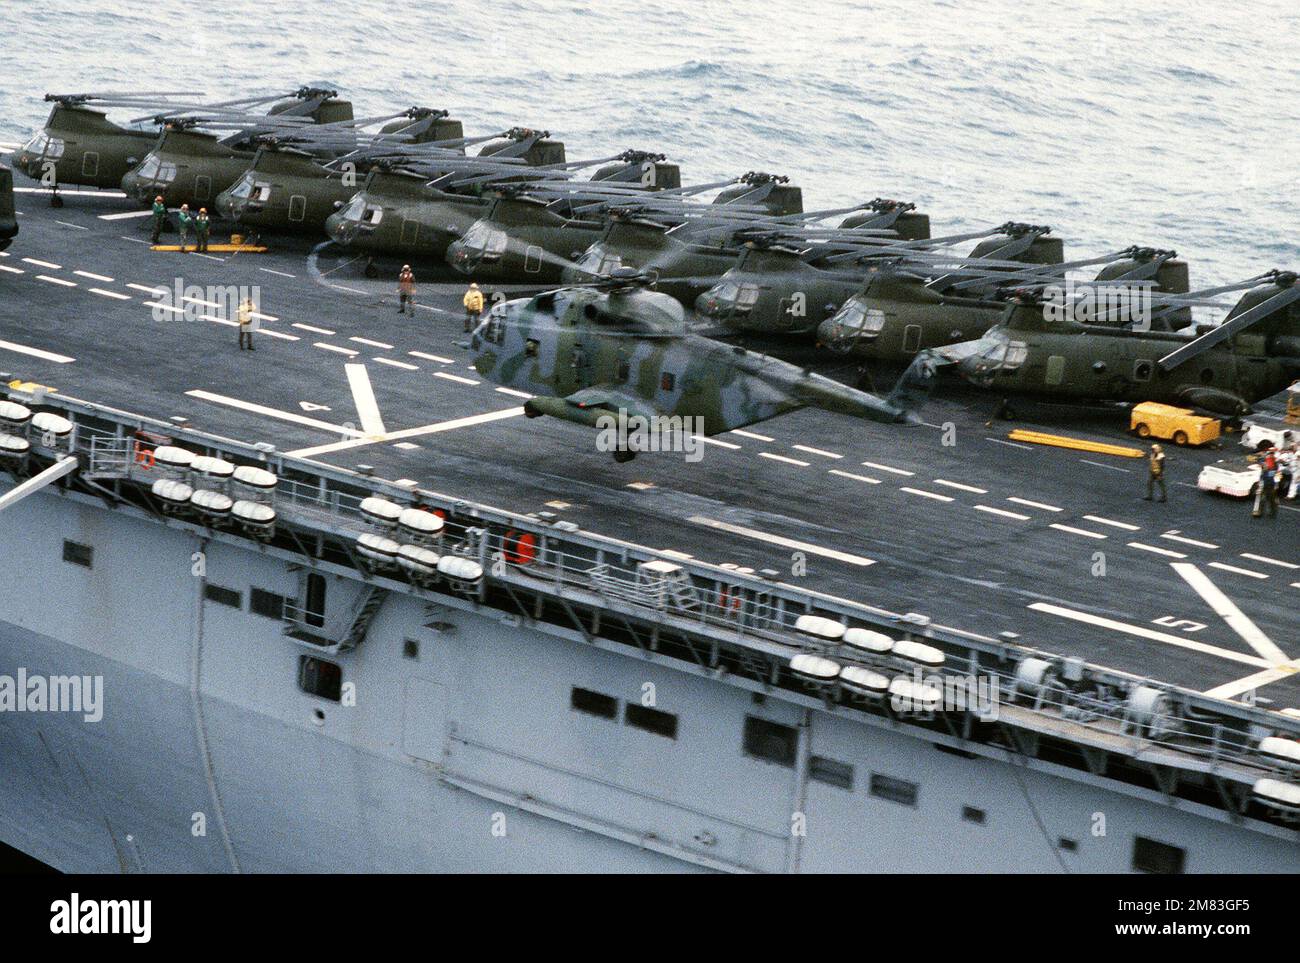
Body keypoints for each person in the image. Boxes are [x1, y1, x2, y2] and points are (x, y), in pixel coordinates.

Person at [1253, 447, 1279, 518]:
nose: (1270, 455)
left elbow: (1277, 474)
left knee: (1271, 500)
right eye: (1270, 454)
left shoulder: (1275, 464)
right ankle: (1259, 512)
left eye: (1272, 454)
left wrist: (1276, 484)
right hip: (1265, 483)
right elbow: (1262, 473)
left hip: (1272, 484)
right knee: (1262, 498)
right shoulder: (1265, 462)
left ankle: (1273, 513)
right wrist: (1259, 482)